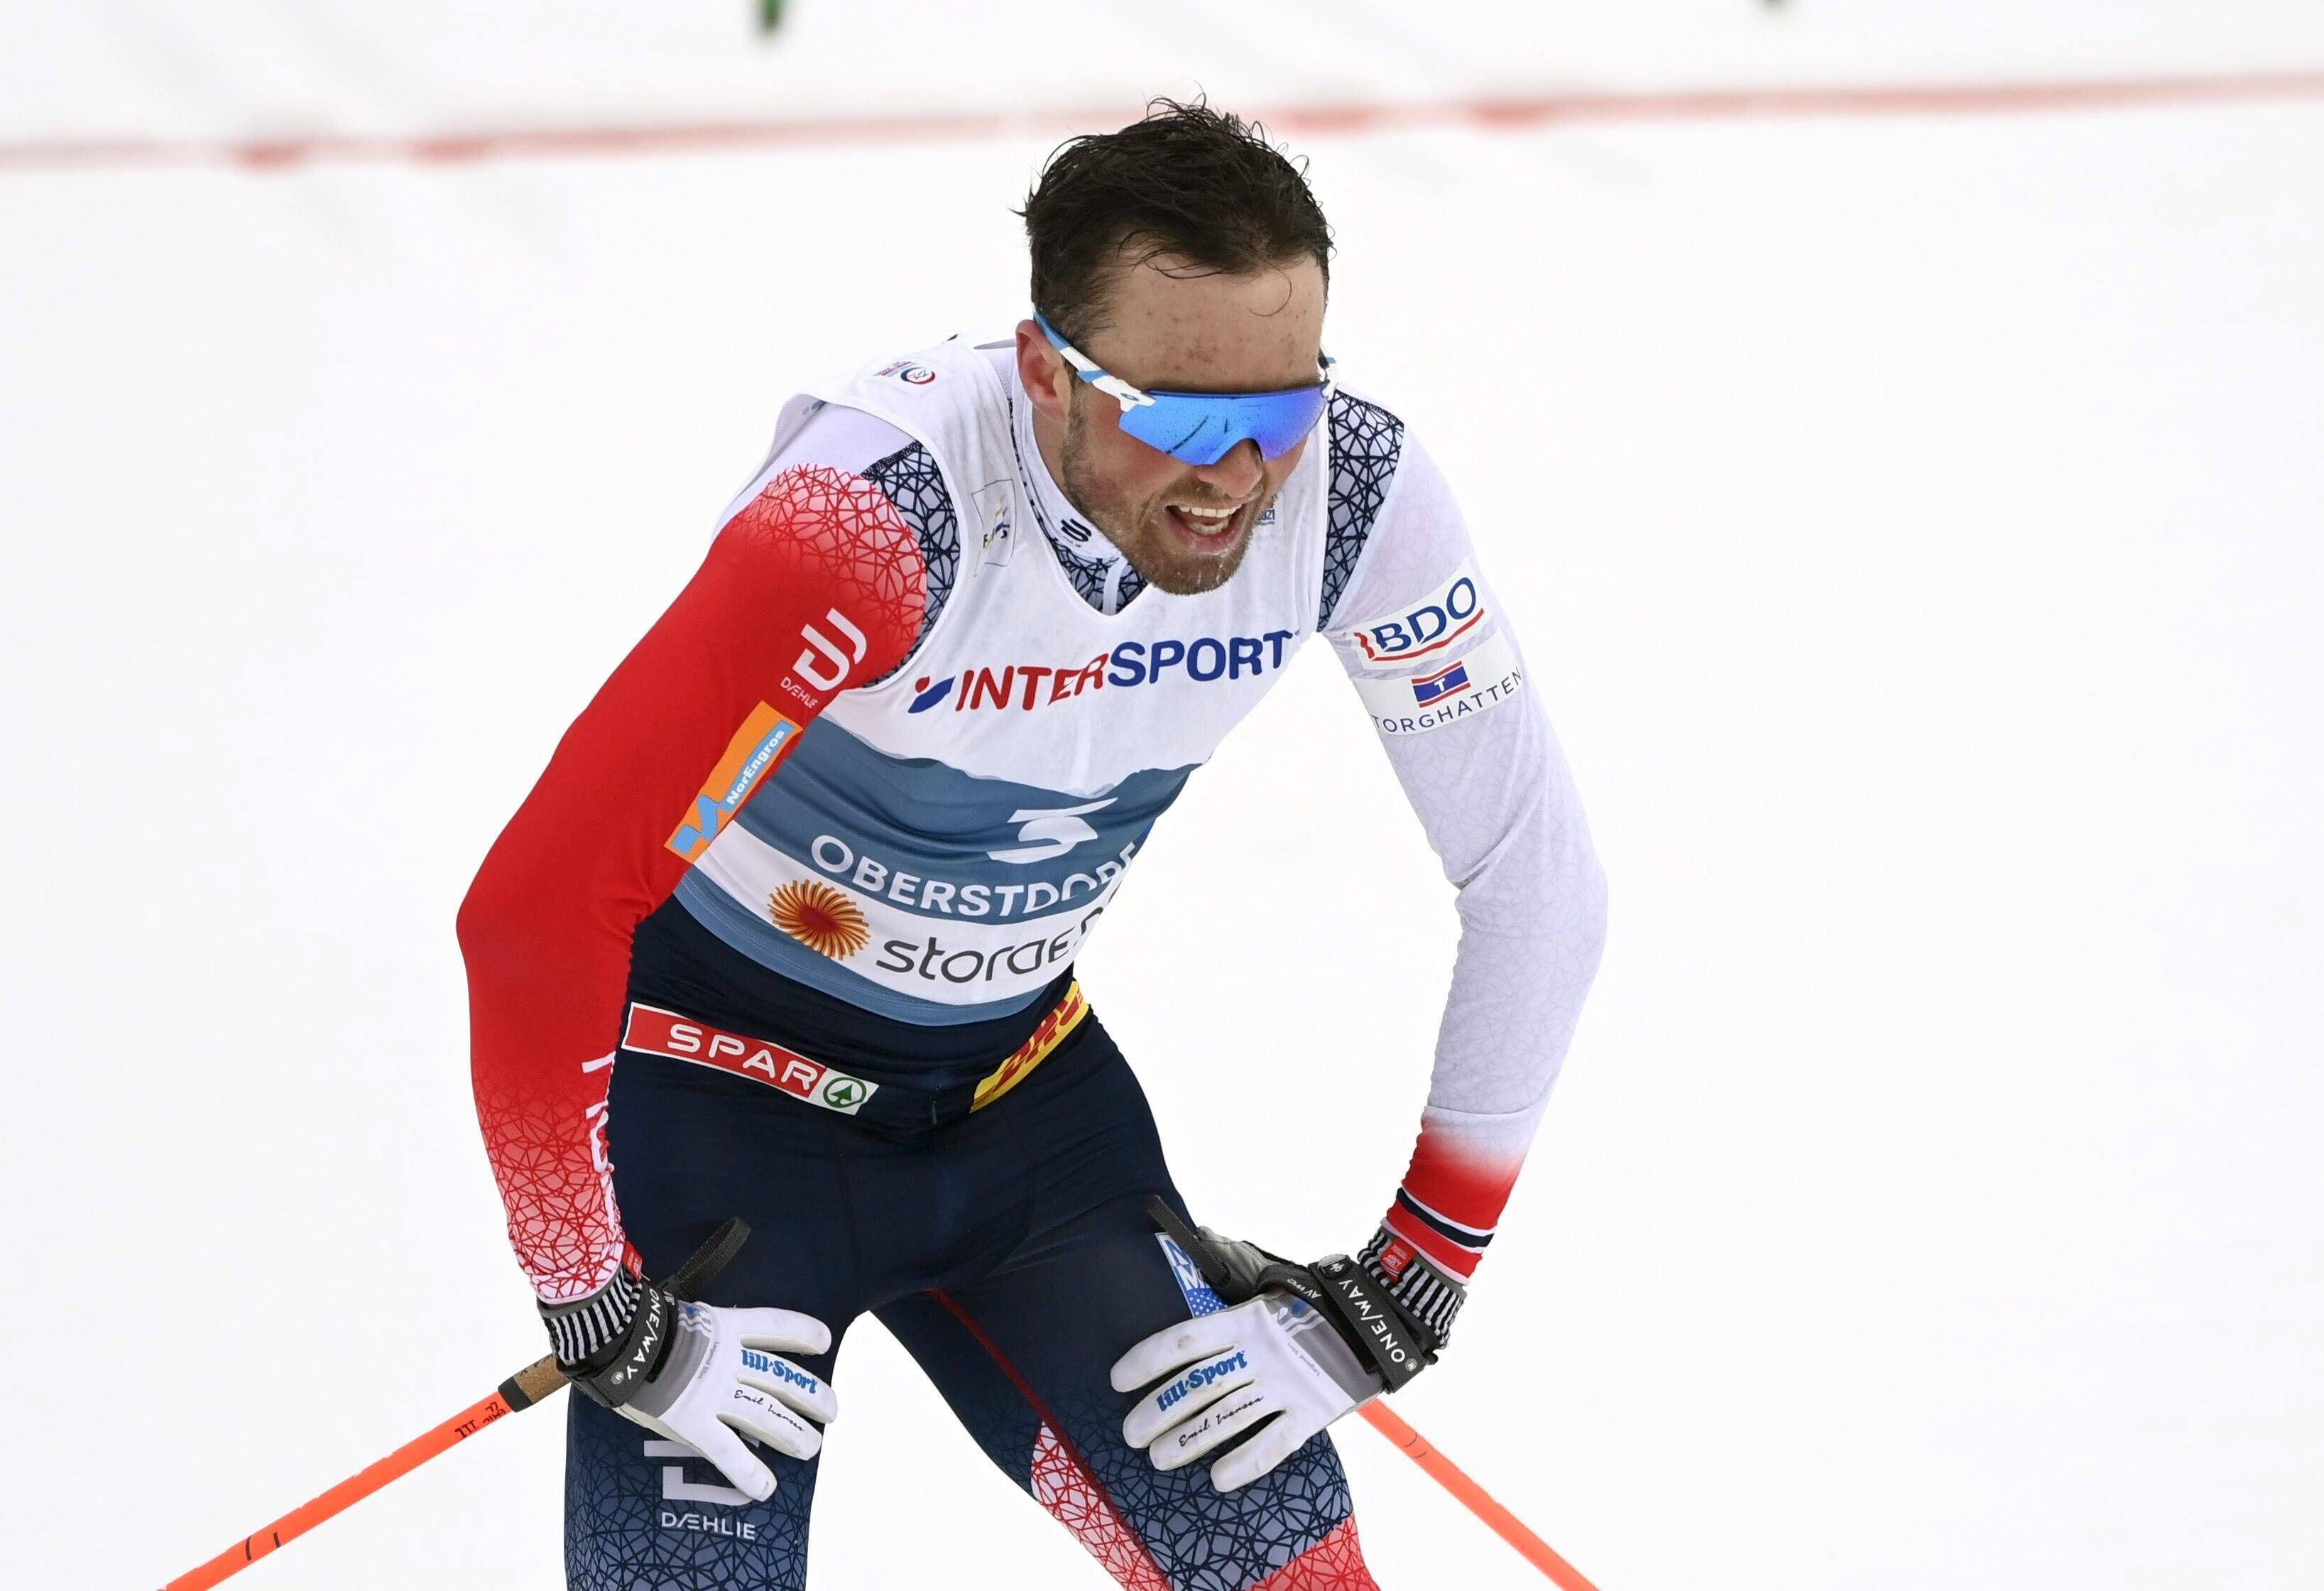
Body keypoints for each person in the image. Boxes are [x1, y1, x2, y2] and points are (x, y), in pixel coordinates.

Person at [457, 99, 1607, 1591]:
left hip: (1024, 1118)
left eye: (1280, 413)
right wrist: (590, 1295)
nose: (1236, 477)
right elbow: (539, 909)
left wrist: (1412, 1281)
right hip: (719, 1121)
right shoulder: (874, 521)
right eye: (1179, 418)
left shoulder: (1355, 494)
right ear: (1046, 371)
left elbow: (1537, 882)